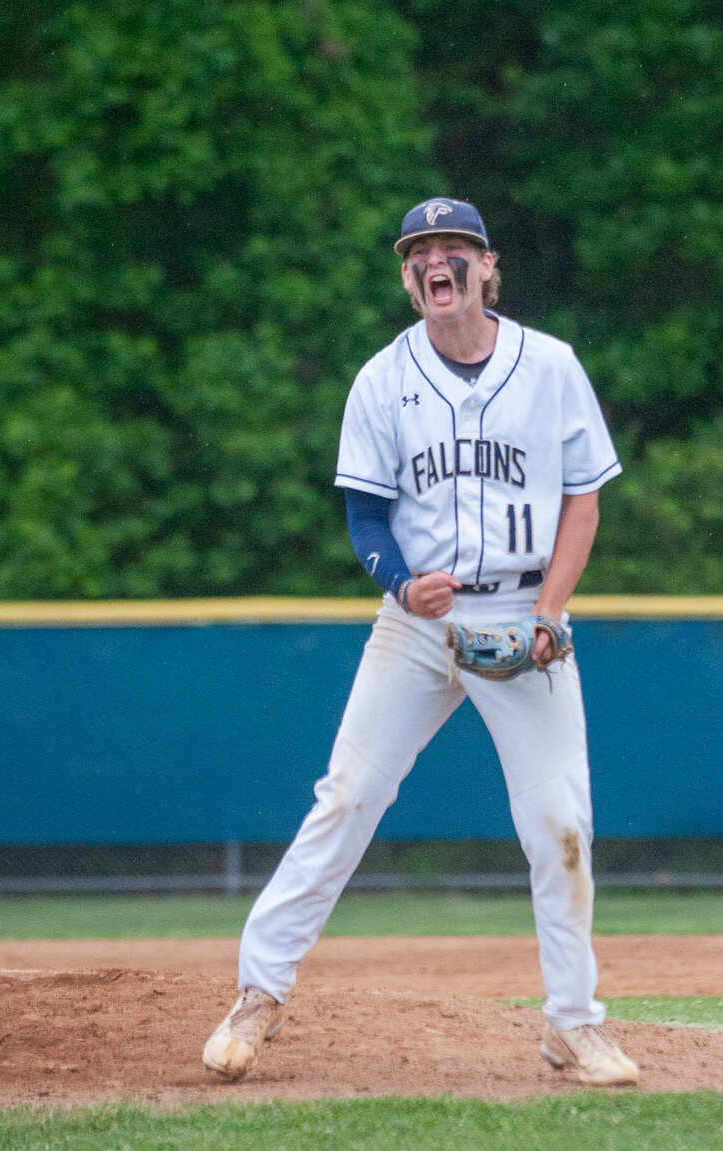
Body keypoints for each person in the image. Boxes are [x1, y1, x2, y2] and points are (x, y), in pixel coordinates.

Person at [202, 197, 637, 1086]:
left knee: (560, 822)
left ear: (489, 268)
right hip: (420, 624)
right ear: (409, 280)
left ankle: (573, 1024)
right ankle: (259, 989)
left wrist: (551, 612)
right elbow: (365, 514)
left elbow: (583, 500)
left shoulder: (550, 367)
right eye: (421, 254)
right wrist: (401, 581)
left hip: (524, 619)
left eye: (456, 249)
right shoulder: (380, 380)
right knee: (350, 794)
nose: (439, 262)